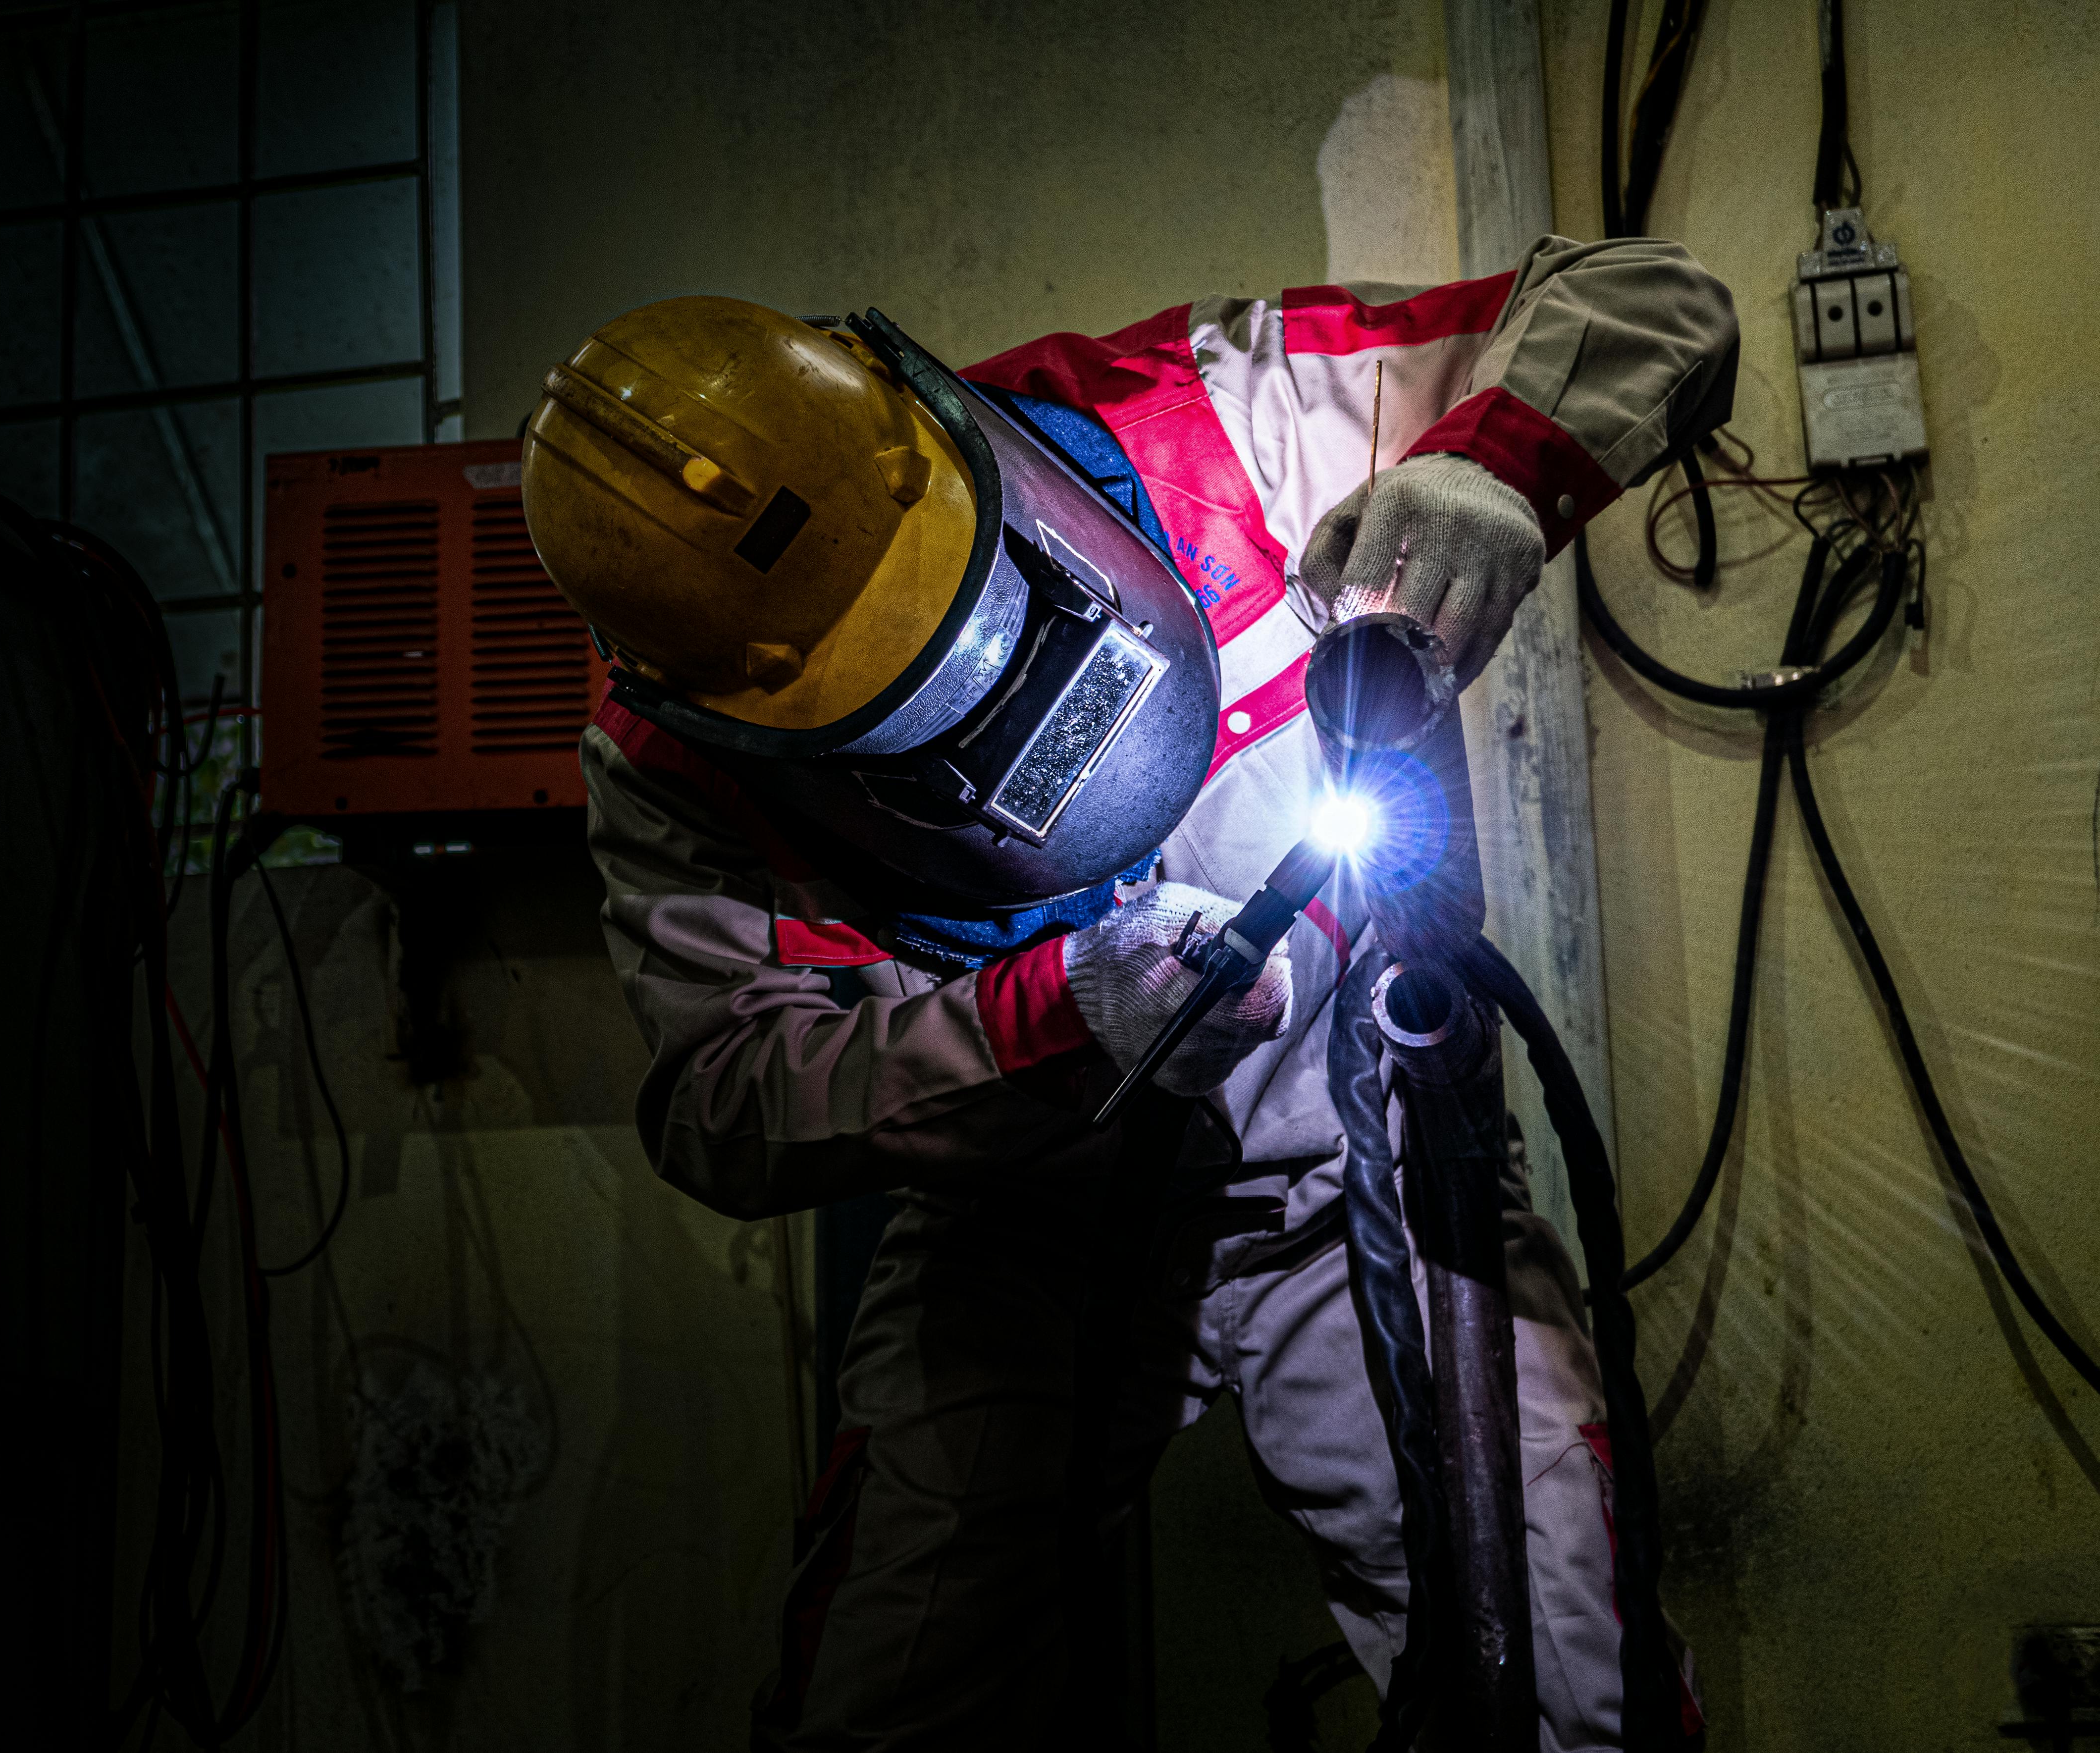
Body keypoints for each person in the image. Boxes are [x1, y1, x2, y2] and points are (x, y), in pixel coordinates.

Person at [519, 238, 1736, 1752]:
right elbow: (728, 1104)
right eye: (892, 709)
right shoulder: (680, 770)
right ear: (733, 702)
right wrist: (1049, 1016)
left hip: (1371, 1162)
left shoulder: (1216, 418)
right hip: (1024, 1234)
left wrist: (1490, 470)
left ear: (940, 432)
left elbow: (1650, 299)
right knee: (887, 1707)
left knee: (1570, 1688)